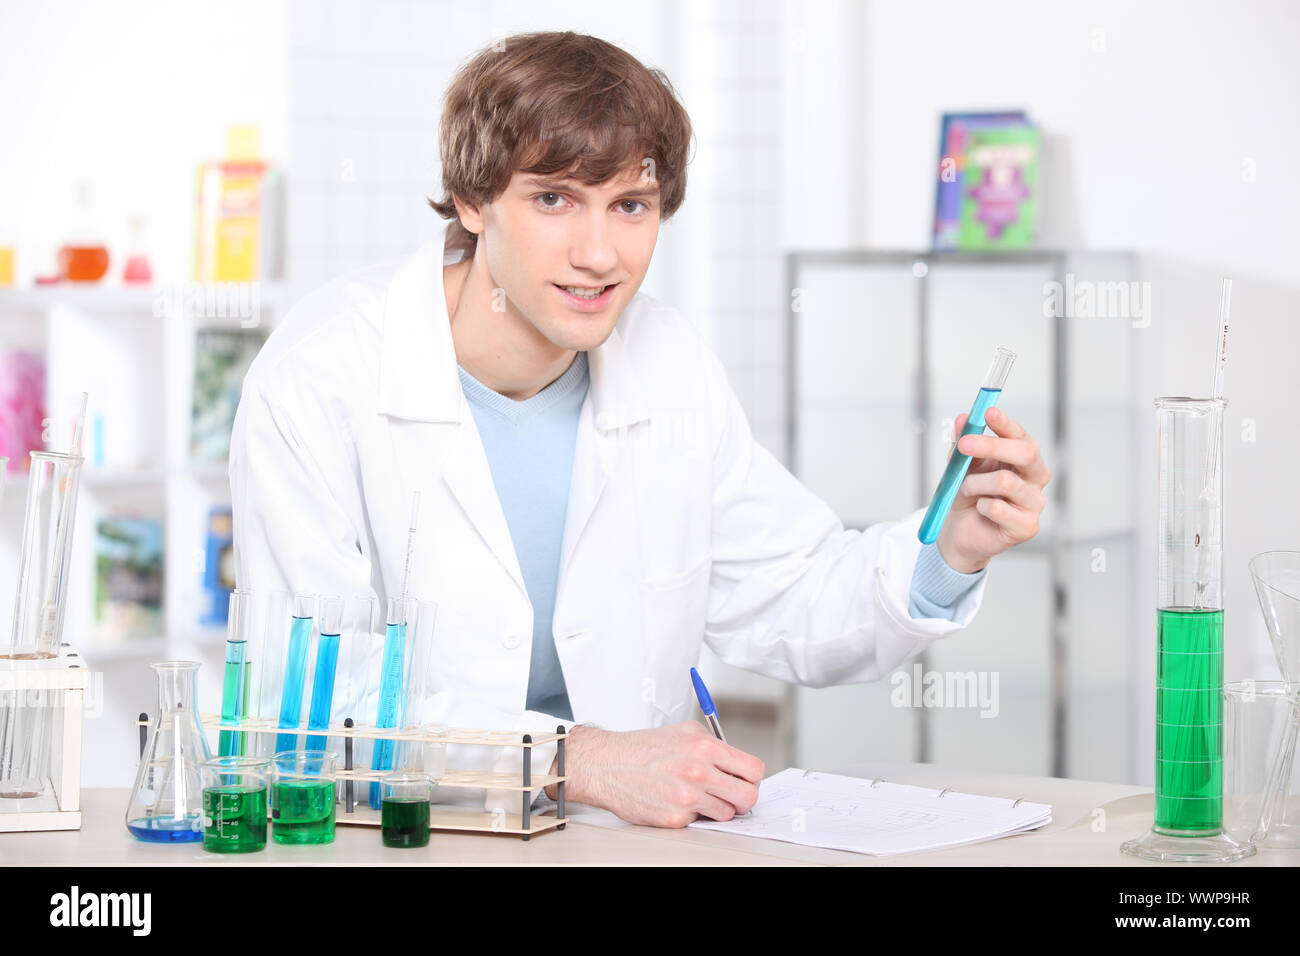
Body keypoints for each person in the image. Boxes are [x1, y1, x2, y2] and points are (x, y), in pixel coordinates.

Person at [229, 30, 1050, 829]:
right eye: (553, 198)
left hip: (626, 845)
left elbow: (793, 591)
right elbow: (306, 699)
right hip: (410, 841)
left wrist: (951, 549)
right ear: (474, 201)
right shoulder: (320, 378)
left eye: (631, 205)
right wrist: (576, 759)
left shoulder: (669, 364)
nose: (599, 253)